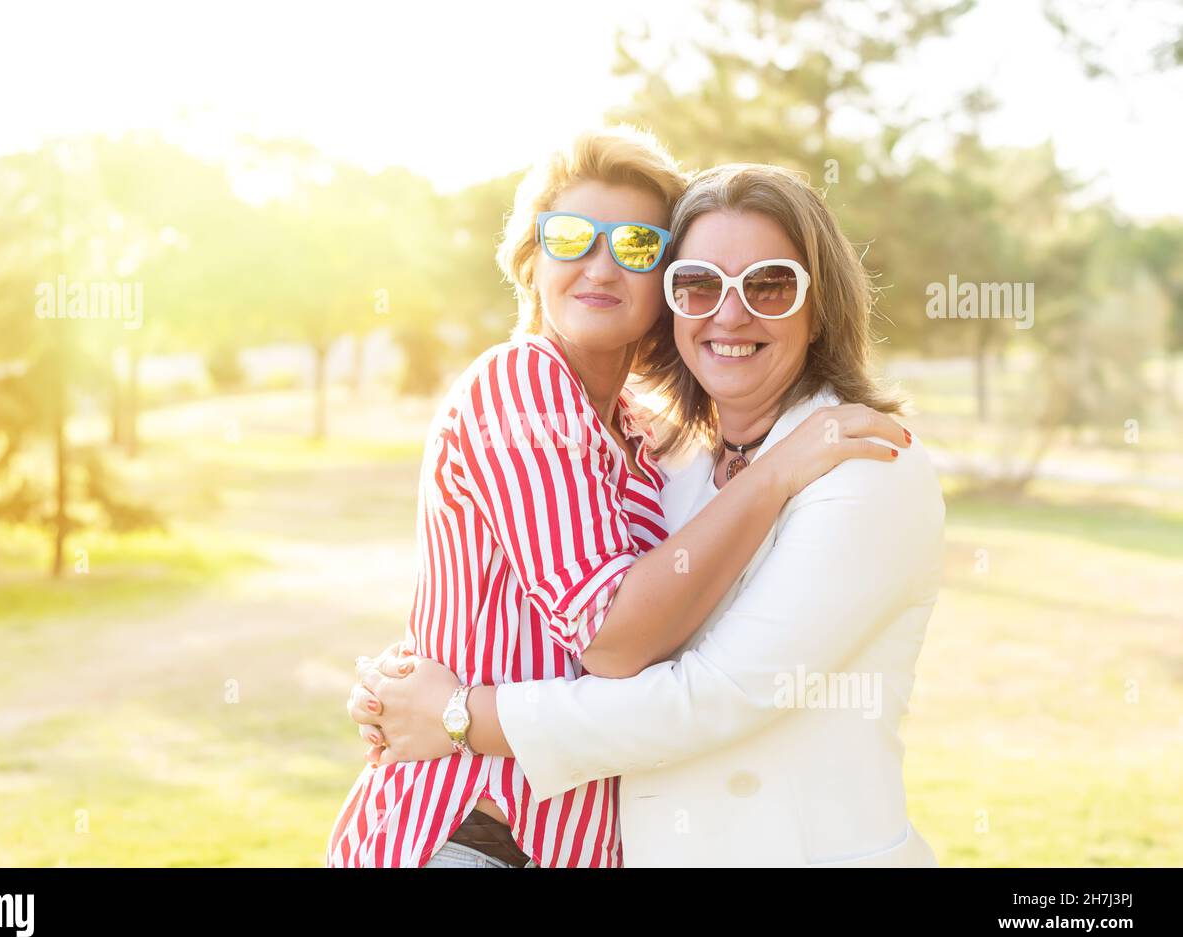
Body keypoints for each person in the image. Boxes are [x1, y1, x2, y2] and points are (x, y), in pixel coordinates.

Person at [327, 134, 909, 867]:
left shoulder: (637, 434)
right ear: (529, 258)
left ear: (665, 282)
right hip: (473, 839)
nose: (601, 264)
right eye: (570, 237)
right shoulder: (520, 382)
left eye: (637, 244)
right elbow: (614, 639)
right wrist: (778, 473)